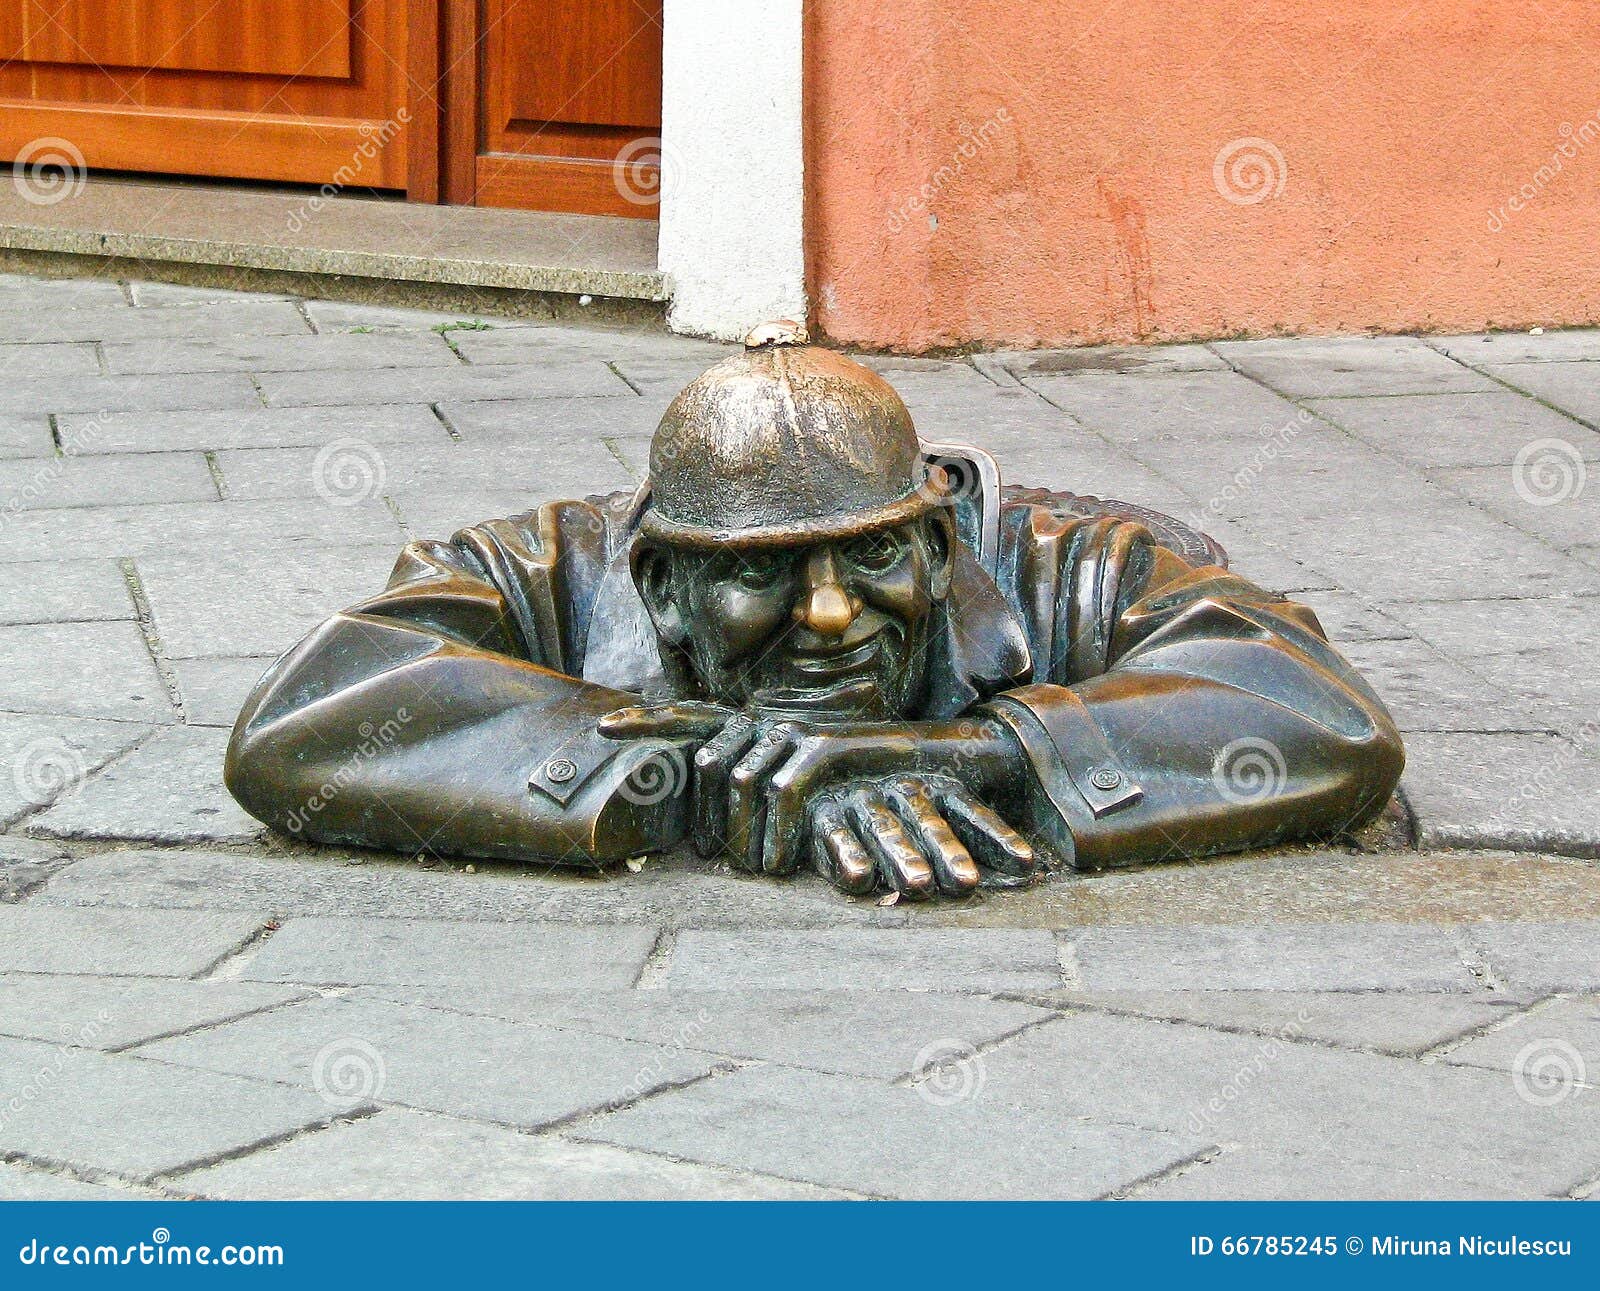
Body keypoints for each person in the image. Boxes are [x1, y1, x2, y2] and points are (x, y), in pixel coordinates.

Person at [226, 323, 1403, 898]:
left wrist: (971, 756)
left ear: (939, 544)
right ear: (663, 586)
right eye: (763, 574)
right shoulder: (543, 568)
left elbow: (1322, 715)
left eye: (876, 556)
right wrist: (703, 769)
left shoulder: (1079, 564)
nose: (833, 612)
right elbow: (305, 722)